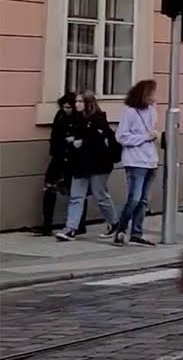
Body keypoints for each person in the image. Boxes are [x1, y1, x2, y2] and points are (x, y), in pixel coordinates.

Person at [55, 91, 120, 241]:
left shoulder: (98, 119)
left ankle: (113, 223)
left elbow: (99, 142)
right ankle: (71, 228)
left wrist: (82, 142)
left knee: (100, 195)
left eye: (80, 102)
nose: (76, 104)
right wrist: (73, 141)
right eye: (76, 101)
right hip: (80, 164)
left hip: (98, 164)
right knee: (76, 196)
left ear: (88, 103)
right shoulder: (76, 119)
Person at [113, 79, 160, 246]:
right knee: (134, 198)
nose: (155, 96)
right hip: (135, 161)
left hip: (150, 160)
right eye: (152, 93)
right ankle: (121, 229)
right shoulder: (130, 112)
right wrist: (144, 137)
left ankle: (137, 232)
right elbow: (121, 137)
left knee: (144, 200)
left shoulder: (152, 111)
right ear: (145, 94)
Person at [37, 93, 79, 236]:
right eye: (64, 107)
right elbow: (54, 135)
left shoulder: (79, 117)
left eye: (68, 107)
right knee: (49, 188)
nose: (66, 109)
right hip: (58, 157)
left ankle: (78, 224)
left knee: (76, 191)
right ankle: (47, 224)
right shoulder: (60, 115)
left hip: (72, 159)